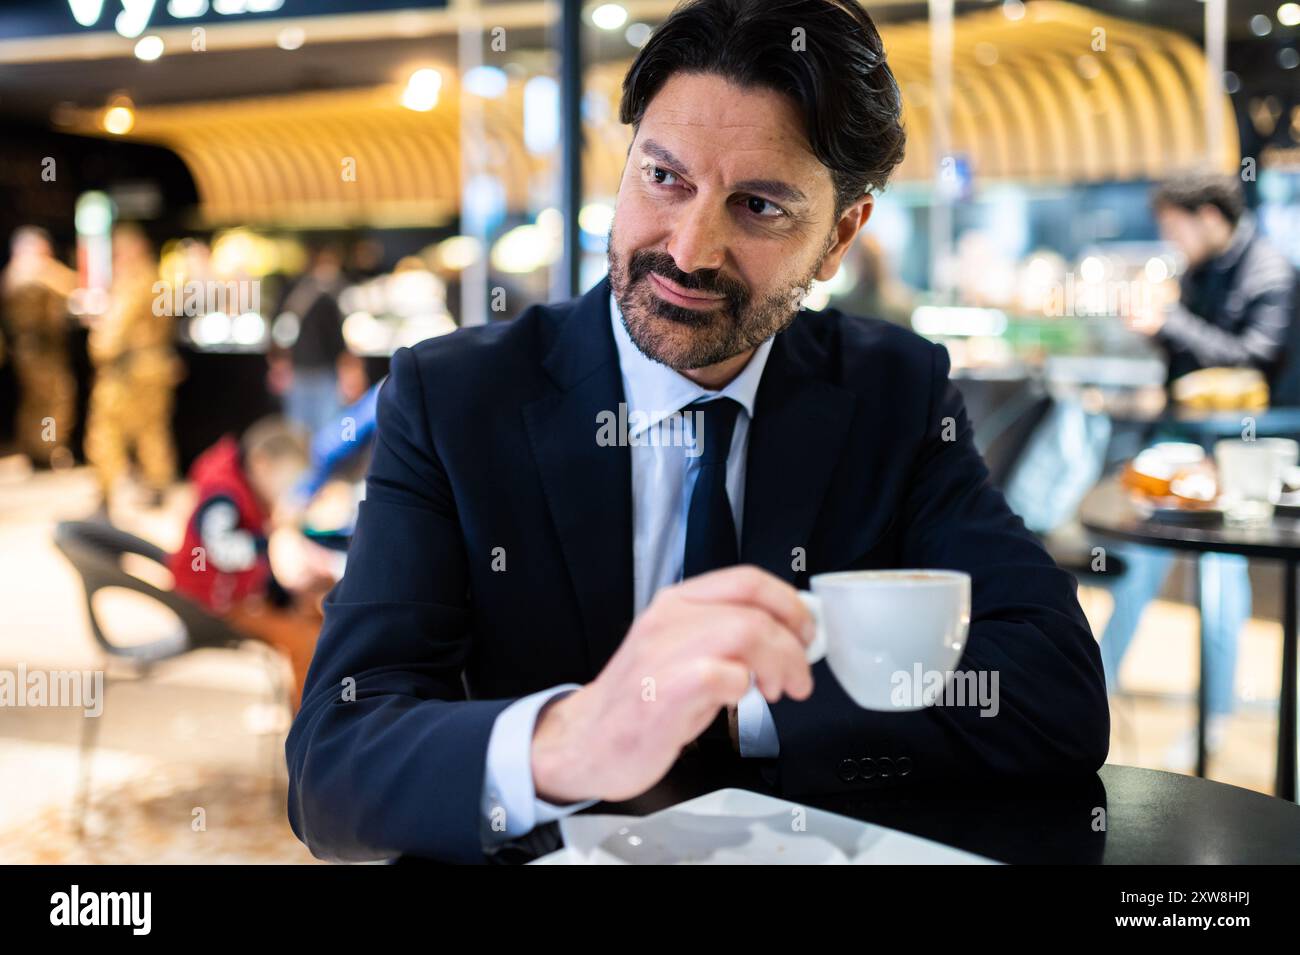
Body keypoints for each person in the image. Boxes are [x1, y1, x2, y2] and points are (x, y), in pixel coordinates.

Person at [286, 0, 1109, 864]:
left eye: (757, 206)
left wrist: (732, 697)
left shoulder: (893, 394)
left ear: (840, 238)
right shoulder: (454, 398)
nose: (688, 248)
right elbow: (334, 765)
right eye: (665, 177)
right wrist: (571, 737)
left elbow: (1053, 692)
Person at [1114, 173, 1297, 761]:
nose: (1170, 238)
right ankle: (1091, 687)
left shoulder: (1270, 272)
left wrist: (1169, 322)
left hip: (1245, 454)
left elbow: (1255, 362)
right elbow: (1192, 362)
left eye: (1174, 225)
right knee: (1135, 567)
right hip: (1188, 448)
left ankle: (1214, 720)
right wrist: (1159, 331)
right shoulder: (1197, 271)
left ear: (1211, 217)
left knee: (1219, 584)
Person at [168, 417, 332, 713]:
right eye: (287, 483)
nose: (287, 493)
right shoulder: (223, 494)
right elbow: (220, 550)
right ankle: (308, 728)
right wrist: (266, 539)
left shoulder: (243, 482)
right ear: (261, 463)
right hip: (211, 603)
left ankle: (317, 708)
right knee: (306, 642)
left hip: (239, 592)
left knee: (317, 612)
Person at [84, 224, 182, 509]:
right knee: (152, 429)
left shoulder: (133, 281)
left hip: (128, 370)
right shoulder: (157, 278)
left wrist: (99, 349)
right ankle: (158, 484)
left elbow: (112, 334)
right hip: (156, 365)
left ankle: (105, 490)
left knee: (107, 429)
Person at [0, 227, 77, 468]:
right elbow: (72, 285)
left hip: (28, 348)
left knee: (34, 402)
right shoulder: (33, 270)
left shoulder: (14, 272)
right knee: (53, 398)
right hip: (40, 349)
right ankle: (47, 450)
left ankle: (34, 448)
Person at [270, 245, 363, 436]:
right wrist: (279, 365)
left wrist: (350, 372)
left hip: (327, 375)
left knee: (327, 431)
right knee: (298, 434)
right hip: (299, 374)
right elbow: (279, 332)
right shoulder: (296, 292)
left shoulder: (336, 295)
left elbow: (345, 339)